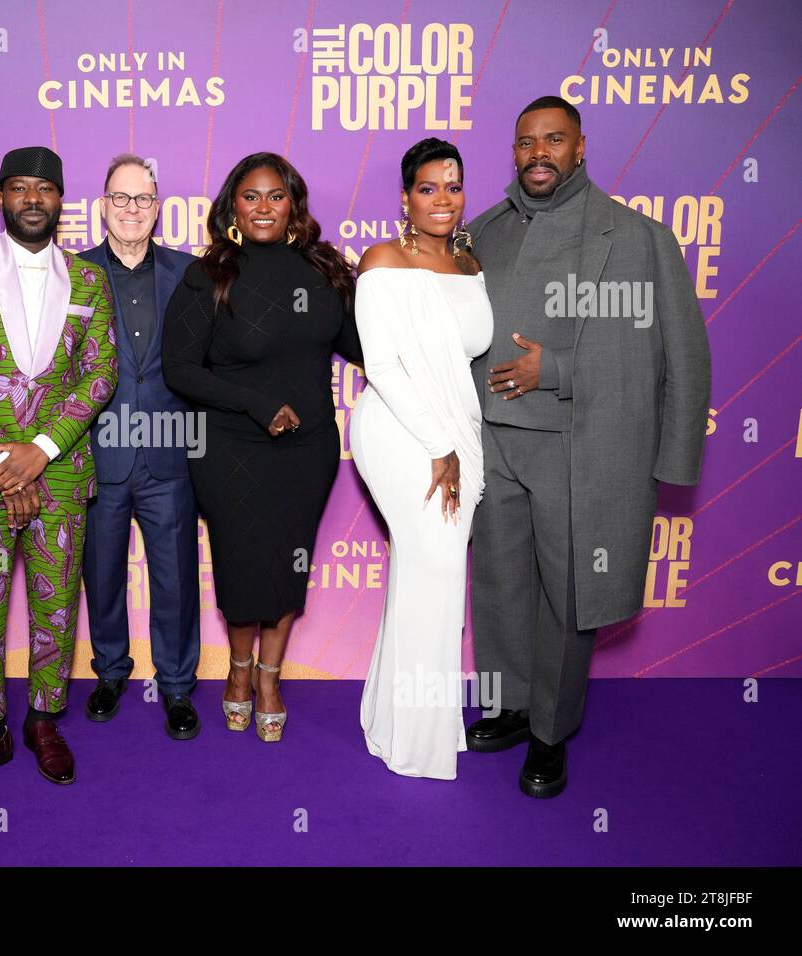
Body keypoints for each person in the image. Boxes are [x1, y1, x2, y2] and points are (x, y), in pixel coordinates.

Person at [464, 96, 711, 798]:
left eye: (554, 140)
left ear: (579, 148)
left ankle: (549, 731)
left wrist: (560, 370)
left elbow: (682, 356)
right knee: (500, 584)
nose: (538, 153)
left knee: (569, 597)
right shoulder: (481, 233)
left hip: (580, 445)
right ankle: (510, 706)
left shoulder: (636, 237)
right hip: (490, 443)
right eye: (525, 142)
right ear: (512, 152)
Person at [0, 146, 117, 797]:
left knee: (56, 606)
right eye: (19, 187)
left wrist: (43, 448)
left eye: (45, 188)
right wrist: (3, 455)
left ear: (60, 199)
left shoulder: (89, 282)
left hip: (58, 469)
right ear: (2, 196)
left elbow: (100, 374)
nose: (33, 198)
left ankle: (43, 721)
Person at [162, 151, 361, 742]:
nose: (264, 207)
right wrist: (254, 404)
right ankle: (240, 672)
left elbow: (362, 347)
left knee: (288, 564)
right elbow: (179, 369)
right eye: (251, 197)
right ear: (232, 208)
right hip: (229, 447)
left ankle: (270, 677)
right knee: (243, 565)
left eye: (276, 196)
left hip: (308, 449)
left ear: (293, 205)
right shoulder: (210, 276)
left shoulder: (326, 271)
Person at [349, 139, 492, 780]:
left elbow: (468, 354)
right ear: (405, 197)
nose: (443, 198)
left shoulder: (470, 263)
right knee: (434, 574)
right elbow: (381, 364)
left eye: (454, 186)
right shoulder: (383, 260)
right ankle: (417, 739)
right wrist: (439, 446)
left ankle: (393, 718)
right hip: (403, 435)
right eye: (429, 187)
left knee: (425, 576)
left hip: (457, 432)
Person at [78, 154, 201, 740]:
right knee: (100, 574)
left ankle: (177, 686)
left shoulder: (188, 272)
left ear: (157, 208)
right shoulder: (70, 273)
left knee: (175, 575)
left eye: (142, 199)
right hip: (96, 454)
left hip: (168, 450)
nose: (131, 209)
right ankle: (109, 672)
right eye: (120, 198)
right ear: (102, 205)